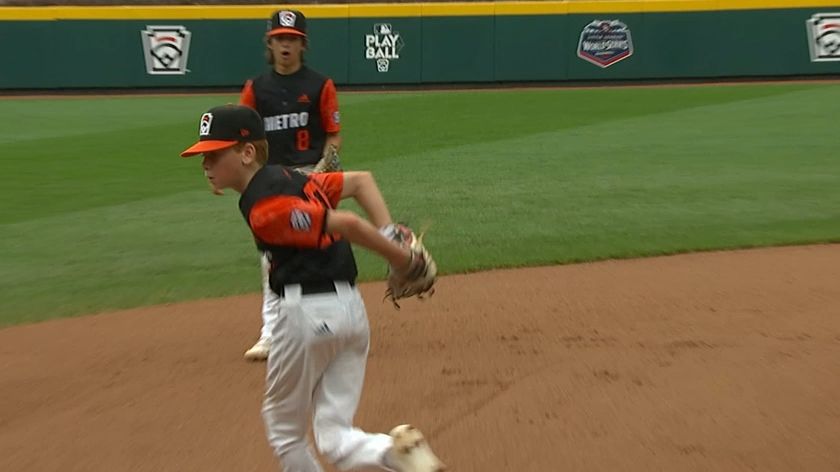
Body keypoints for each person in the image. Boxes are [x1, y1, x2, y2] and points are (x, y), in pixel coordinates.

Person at [180, 104, 445, 472]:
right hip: (353, 313)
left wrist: (400, 258)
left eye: (214, 154)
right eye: (203, 156)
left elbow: (348, 224)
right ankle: (391, 452)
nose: (205, 164)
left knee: (284, 429)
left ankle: (392, 453)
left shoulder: (264, 210)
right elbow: (361, 182)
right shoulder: (294, 177)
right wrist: (389, 232)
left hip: (307, 317)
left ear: (246, 152)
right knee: (334, 436)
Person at [237, 9, 343, 361]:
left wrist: (320, 173)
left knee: (320, 255)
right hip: (270, 183)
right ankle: (271, 334)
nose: (286, 45)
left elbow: (333, 137)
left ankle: (325, 326)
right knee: (271, 261)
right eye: (280, 38)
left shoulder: (320, 85)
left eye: (292, 39)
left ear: (303, 44)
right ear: (270, 43)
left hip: (311, 175)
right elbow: (242, 140)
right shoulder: (256, 88)